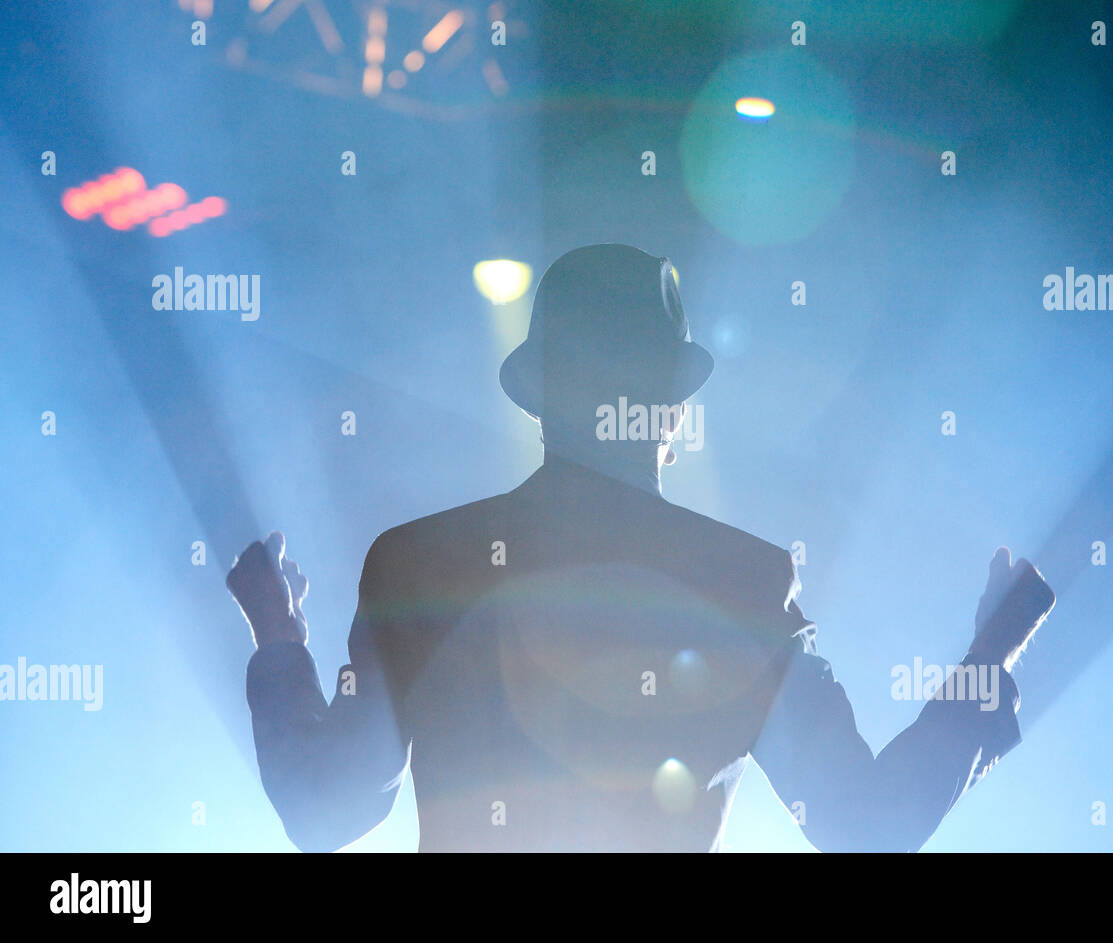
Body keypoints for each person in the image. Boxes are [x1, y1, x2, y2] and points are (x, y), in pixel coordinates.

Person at [226, 243, 1056, 852]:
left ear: (542, 399)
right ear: (671, 410)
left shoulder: (421, 560)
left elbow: (325, 805)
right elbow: (868, 824)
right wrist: (991, 654)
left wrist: (278, 633)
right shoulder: (744, 580)